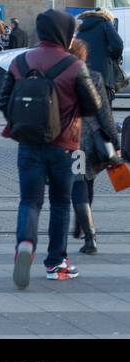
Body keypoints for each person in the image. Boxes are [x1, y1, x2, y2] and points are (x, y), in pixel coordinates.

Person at [0, 9, 118, 287]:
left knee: (29, 201)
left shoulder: (19, 61)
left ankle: (25, 244)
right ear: (64, 33)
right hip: (65, 146)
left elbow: (5, 101)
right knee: (61, 204)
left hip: (28, 145)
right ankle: (56, 262)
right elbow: (94, 106)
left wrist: (22, 126)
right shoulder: (75, 66)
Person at [67, 37, 117, 255]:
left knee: (78, 187)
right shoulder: (95, 77)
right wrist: (114, 142)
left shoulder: (61, 78)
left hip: (74, 142)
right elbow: (105, 114)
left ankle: (90, 236)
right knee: (88, 184)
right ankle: (82, 223)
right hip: (93, 142)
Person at [75, 8, 124, 105]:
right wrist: (114, 57)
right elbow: (118, 45)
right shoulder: (105, 23)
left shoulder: (81, 26)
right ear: (108, 17)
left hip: (84, 73)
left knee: (87, 108)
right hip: (103, 74)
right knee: (104, 109)